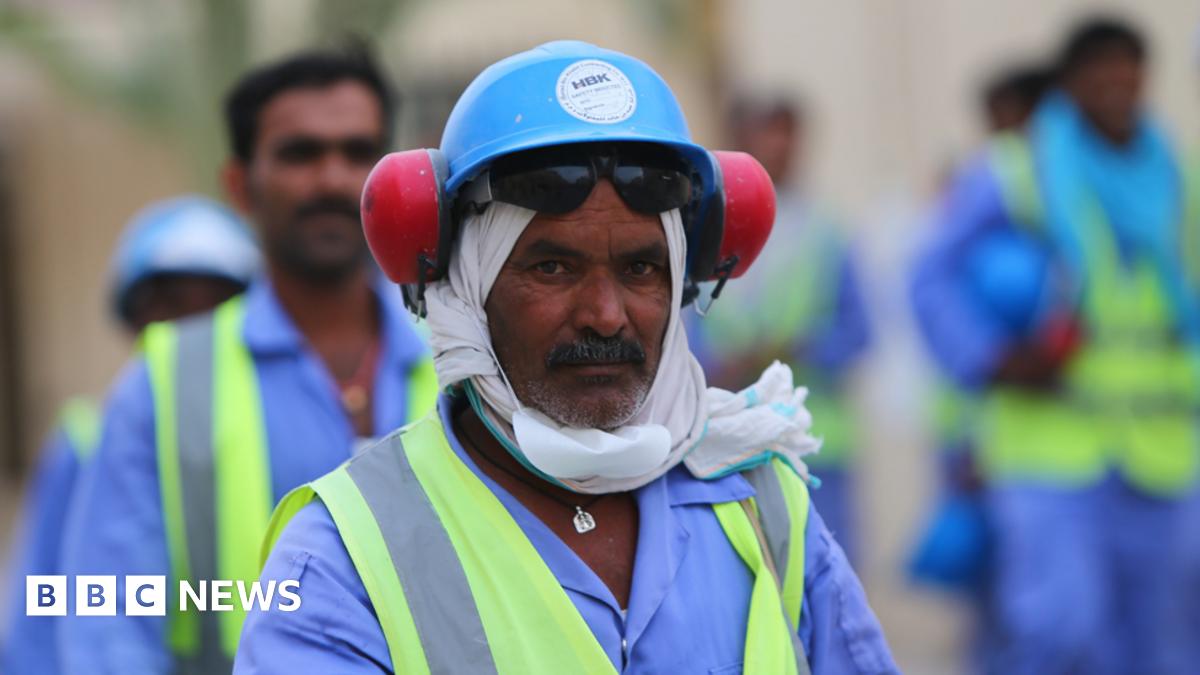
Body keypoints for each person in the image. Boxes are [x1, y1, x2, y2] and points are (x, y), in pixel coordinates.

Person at [237, 40, 897, 674]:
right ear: (466, 288)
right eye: (552, 267)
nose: (605, 315)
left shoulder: (764, 507)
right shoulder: (344, 559)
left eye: (641, 268)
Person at [59, 46, 437, 673]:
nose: (333, 179)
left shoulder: (463, 357)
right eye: (300, 154)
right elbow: (109, 623)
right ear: (239, 185)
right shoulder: (166, 383)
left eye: (358, 152)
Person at [910, 18, 1196, 673]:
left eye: (1128, 67)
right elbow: (931, 276)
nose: (1116, 82)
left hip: (1162, 449)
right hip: (1049, 446)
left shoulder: (1175, 175)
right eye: (1099, 68)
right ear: (1069, 84)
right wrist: (991, 357)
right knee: (1060, 633)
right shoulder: (1016, 169)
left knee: (1166, 647)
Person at [0, 196, 259, 675]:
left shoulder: (261, 431)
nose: (189, 334)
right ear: (134, 320)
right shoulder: (83, 442)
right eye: (170, 307)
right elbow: (39, 622)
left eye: (215, 309)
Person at [687, 95, 871, 564]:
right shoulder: (704, 230)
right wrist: (719, 367)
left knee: (823, 573)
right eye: (766, 132)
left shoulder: (827, 231)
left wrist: (801, 350)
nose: (779, 145)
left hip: (813, 440)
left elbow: (859, 331)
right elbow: (685, 334)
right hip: (726, 442)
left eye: (787, 133)